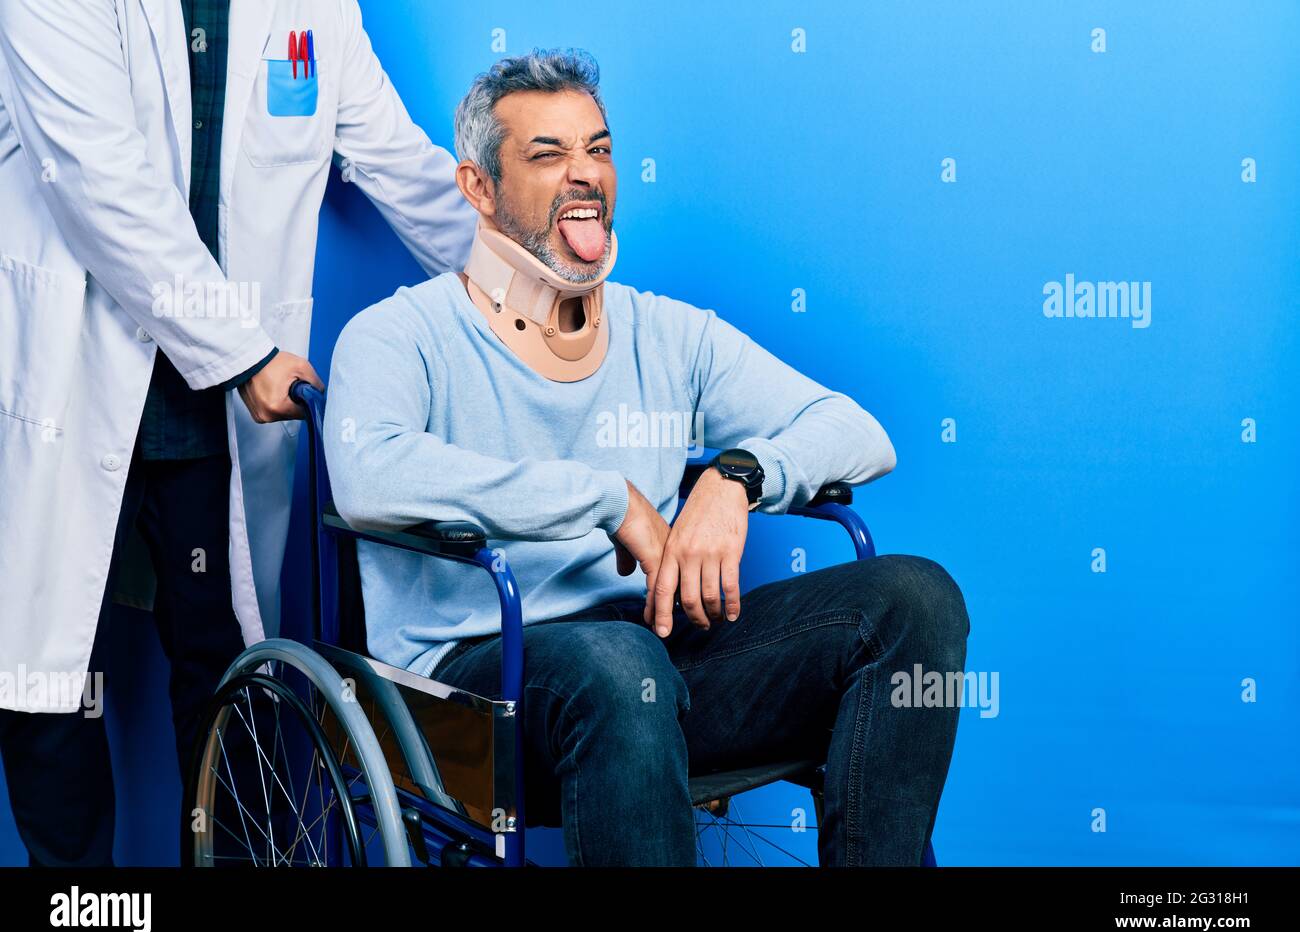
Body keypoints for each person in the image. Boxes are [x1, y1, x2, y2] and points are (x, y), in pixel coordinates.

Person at [324, 49, 969, 865]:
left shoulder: (665, 333)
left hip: (653, 668)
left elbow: (857, 431)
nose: (585, 173)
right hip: (473, 695)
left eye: (598, 149)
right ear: (478, 187)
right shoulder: (398, 334)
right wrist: (607, 498)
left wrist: (736, 479)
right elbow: (369, 473)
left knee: (916, 598)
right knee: (616, 659)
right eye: (548, 154)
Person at [0, 0, 477, 865]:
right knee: (46, 689)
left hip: (206, 415)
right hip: (73, 378)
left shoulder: (316, 10)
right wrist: (243, 350)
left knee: (230, 682)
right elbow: (96, 177)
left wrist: (536, 289)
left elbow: (404, 168)